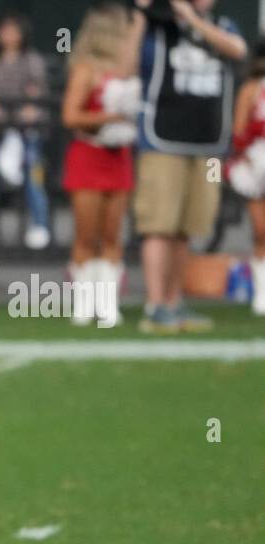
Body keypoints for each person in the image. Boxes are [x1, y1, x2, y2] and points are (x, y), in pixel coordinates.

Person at [130, 0, 246, 333]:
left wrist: (192, 20)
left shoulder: (222, 24)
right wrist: (142, 14)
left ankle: (174, 301)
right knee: (159, 225)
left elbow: (237, 50)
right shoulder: (158, 26)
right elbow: (126, 65)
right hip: (162, 143)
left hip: (209, 150)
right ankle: (155, 305)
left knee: (189, 227)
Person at [61, 3, 140, 328]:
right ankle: (83, 304)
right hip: (89, 155)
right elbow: (70, 115)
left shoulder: (129, 71)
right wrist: (109, 117)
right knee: (86, 236)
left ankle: (107, 305)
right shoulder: (85, 69)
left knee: (112, 235)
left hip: (118, 158)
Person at [0, 13, 51, 251]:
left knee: (34, 172)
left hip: (28, 131)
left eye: (13, 30)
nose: (8, 35)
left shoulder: (32, 60)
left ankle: (40, 224)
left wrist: (25, 112)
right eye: (4, 30)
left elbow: (36, 95)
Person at [228, 39, 265, 314]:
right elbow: (238, 132)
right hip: (256, 166)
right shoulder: (251, 89)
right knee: (262, 231)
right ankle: (262, 293)